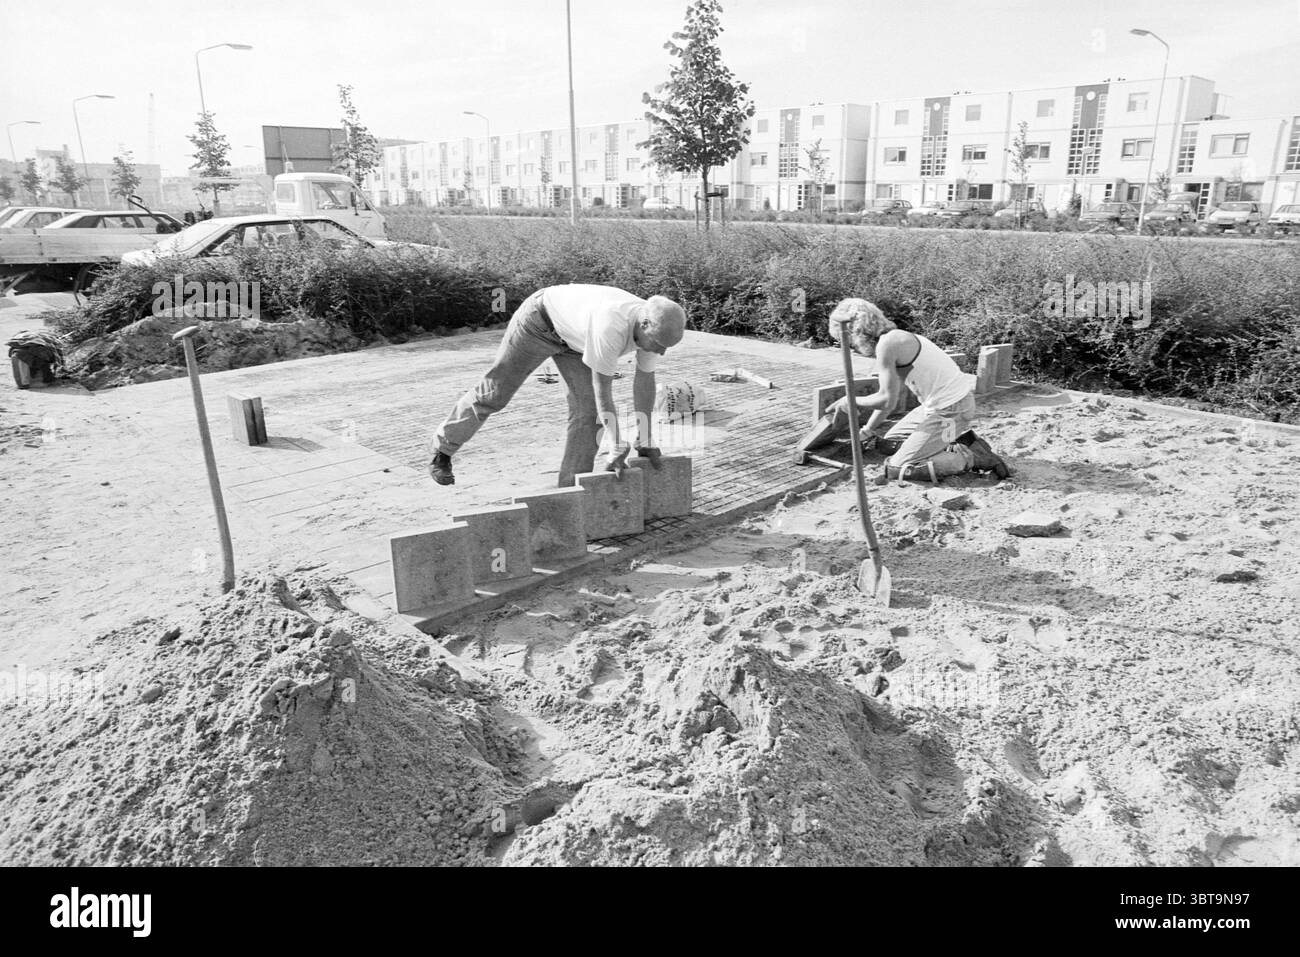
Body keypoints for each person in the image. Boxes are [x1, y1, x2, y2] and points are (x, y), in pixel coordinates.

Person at [429, 284, 687, 487]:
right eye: (657, 345)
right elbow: (603, 392)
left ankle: (571, 494)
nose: (660, 352)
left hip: (575, 341)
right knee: (495, 393)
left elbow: (643, 384)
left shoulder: (657, 329)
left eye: (666, 347)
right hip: (539, 323)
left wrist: (645, 437)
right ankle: (443, 449)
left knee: (589, 416)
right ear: (643, 324)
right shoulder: (611, 326)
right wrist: (616, 443)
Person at [827, 298, 1010, 483]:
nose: (854, 348)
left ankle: (972, 456)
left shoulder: (887, 345)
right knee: (888, 444)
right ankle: (957, 443)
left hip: (952, 412)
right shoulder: (894, 338)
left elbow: (886, 400)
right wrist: (867, 430)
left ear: (856, 332)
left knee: (898, 468)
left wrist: (850, 401)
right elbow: (889, 400)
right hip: (940, 408)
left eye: (850, 342)